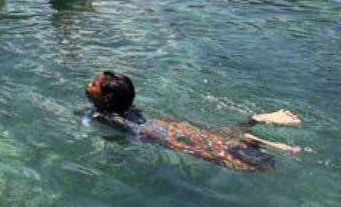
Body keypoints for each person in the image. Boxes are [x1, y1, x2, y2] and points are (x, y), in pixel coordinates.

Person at [83, 71, 304, 171]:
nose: (88, 85)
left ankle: (253, 126)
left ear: (107, 98)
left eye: (93, 84)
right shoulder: (130, 108)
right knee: (213, 138)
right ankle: (252, 126)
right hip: (165, 126)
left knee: (215, 153)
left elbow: (123, 135)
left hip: (159, 133)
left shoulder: (106, 116)